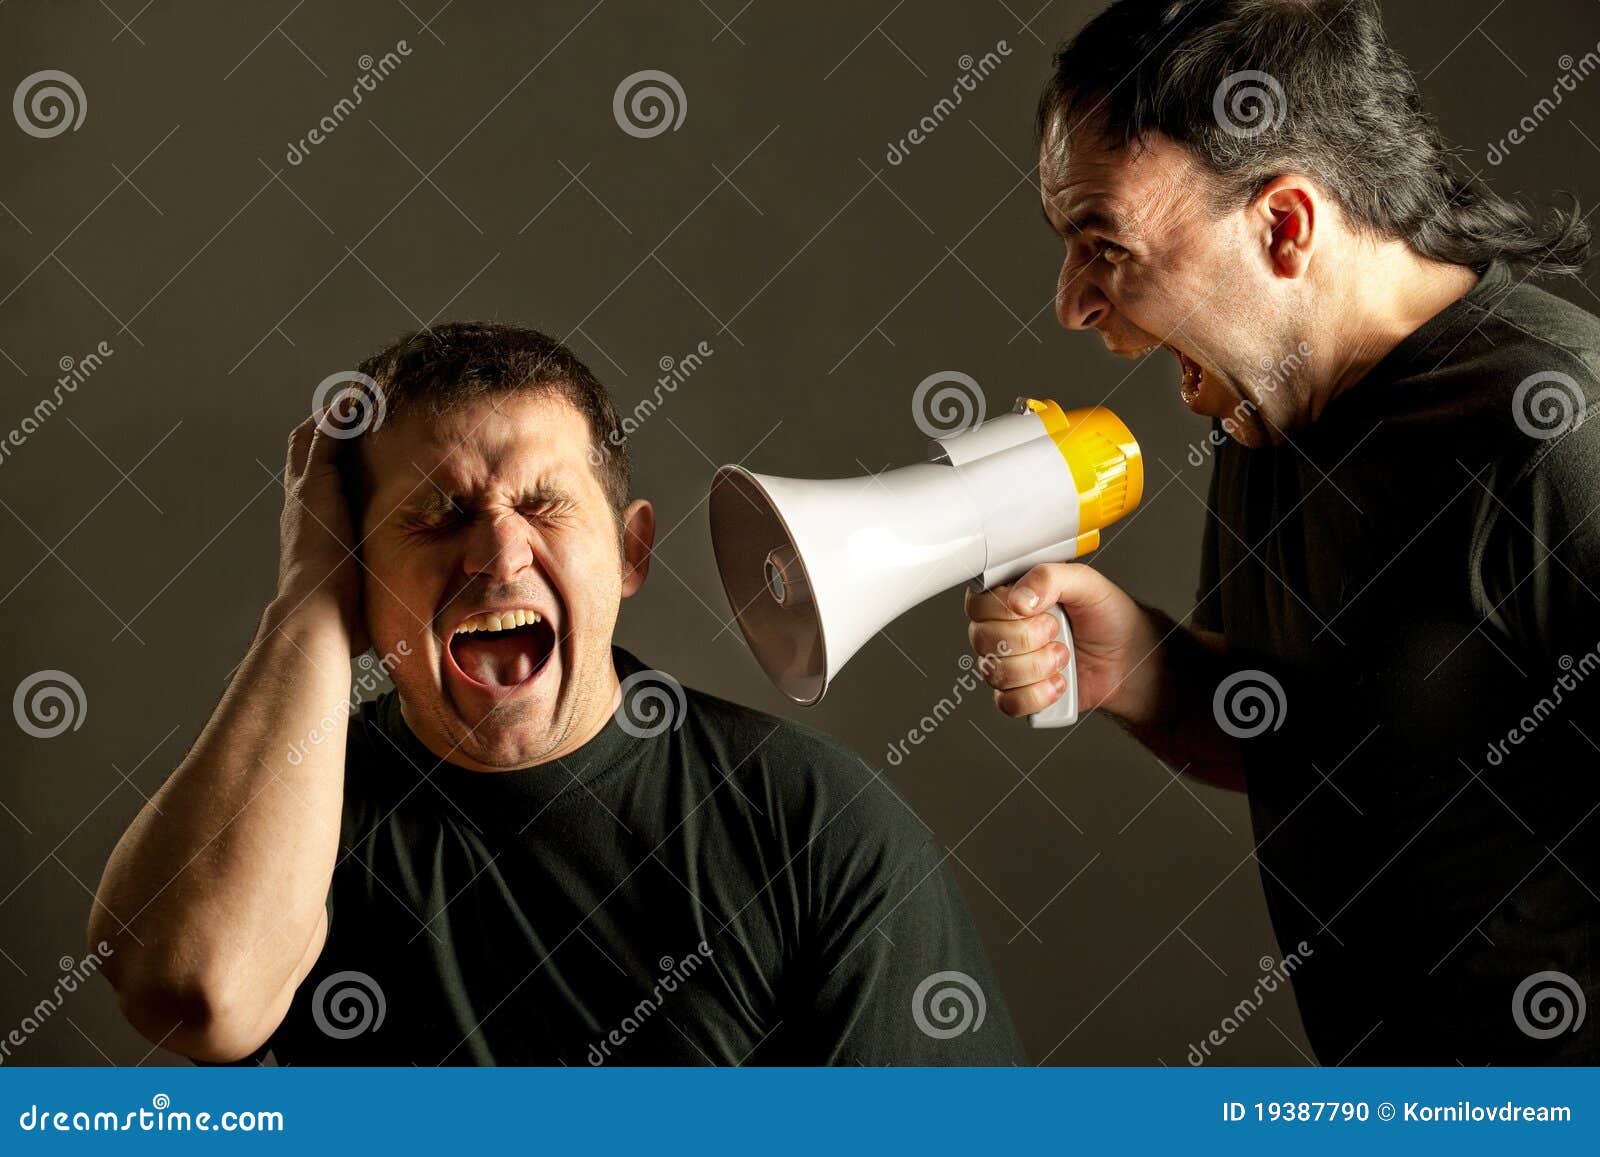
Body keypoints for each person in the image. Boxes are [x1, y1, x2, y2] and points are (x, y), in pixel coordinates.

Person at [90, 322, 1022, 1066]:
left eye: (542, 505)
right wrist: (303, 606)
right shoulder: (295, 814)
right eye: (438, 513)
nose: (498, 552)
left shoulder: (813, 821)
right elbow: (194, 994)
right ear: (355, 571)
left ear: (630, 553)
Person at [968, 0, 1599, 1063]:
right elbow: (1323, 736)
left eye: (1104, 245)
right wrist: (1146, 668)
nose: (1073, 303)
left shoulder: (1554, 439)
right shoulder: (1265, 408)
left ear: (1284, 226)